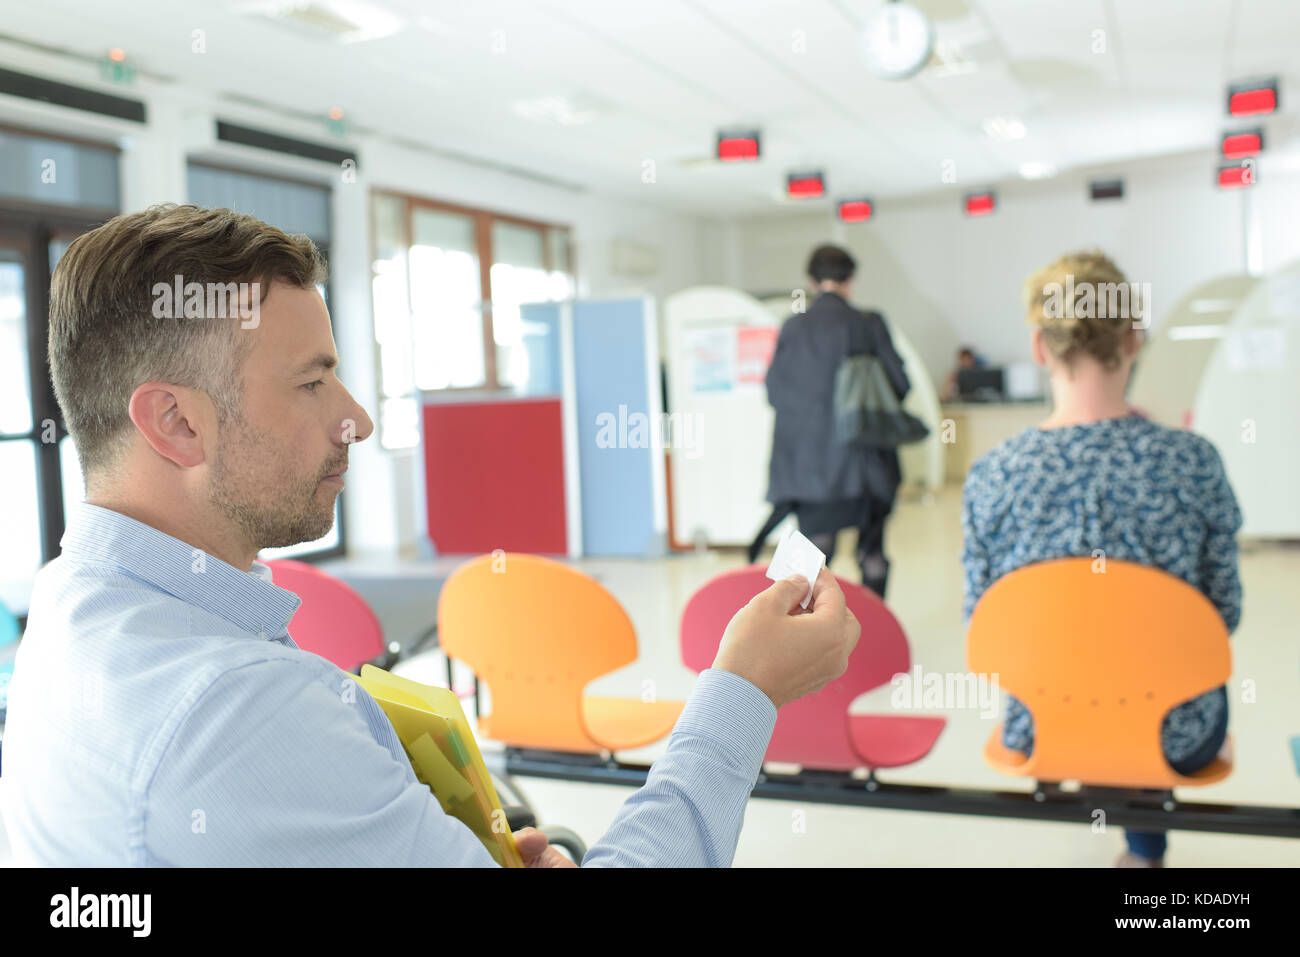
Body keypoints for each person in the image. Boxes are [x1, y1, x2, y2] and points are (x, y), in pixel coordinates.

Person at [1, 204, 860, 867]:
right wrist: (742, 690)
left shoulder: (74, 607)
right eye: (312, 383)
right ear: (177, 423)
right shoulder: (235, 713)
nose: (358, 419)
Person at [961, 250, 1241, 867]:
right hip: (1177, 730)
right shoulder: (1193, 462)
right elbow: (1223, 615)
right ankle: (1145, 853)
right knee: (1159, 671)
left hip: (1041, 724)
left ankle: (1131, 832)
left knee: (1089, 669)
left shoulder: (993, 475)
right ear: (1133, 339)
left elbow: (979, 626)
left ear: (1039, 348)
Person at [764, 244, 909, 598]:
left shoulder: (793, 328)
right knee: (871, 554)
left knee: (810, 559)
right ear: (850, 280)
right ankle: (874, 633)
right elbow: (900, 385)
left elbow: (774, 393)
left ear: (813, 281)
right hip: (865, 467)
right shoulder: (868, 324)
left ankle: (809, 639)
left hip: (809, 468)